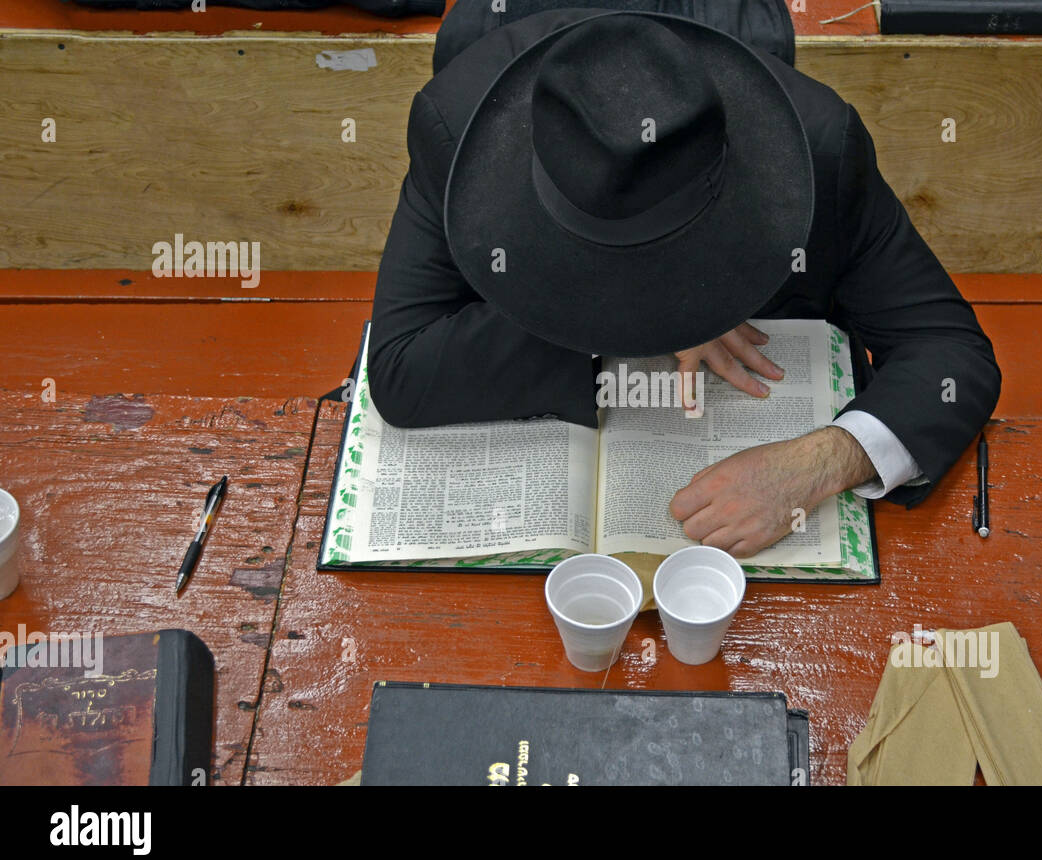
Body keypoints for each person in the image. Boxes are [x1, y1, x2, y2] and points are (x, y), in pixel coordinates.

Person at [367, 9, 1001, 558]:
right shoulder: (457, 125)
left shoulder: (820, 146)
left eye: (671, 267)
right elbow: (399, 370)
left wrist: (822, 462)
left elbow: (953, 354)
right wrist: (639, 310)